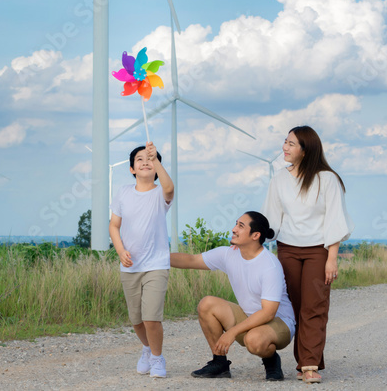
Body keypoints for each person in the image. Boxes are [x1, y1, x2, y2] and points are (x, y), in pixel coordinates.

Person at [262, 126, 352, 383]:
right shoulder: (279, 179)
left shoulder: (328, 179)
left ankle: (309, 364)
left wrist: (331, 258)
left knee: (314, 306)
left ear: (305, 149)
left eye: (291, 144)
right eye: (285, 142)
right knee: (295, 306)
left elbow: (334, 220)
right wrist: (251, 238)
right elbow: (271, 218)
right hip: (287, 249)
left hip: (318, 251)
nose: (285, 148)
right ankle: (304, 359)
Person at [171, 212, 295, 381]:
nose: (234, 229)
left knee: (254, 340)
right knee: (207, 304)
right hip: (249, 317)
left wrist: (232, 333)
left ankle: (271, 359)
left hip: (279, 322)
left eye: (240, 226)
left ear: (255, 235)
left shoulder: (269, 265)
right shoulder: (228, 254)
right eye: (236, 224)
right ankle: (219, 363)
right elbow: (191, 260)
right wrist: (155, 259)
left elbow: (268, 313)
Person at [109, 142, 174, 378]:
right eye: (140, 159)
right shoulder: (123, 192)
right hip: (130, 266)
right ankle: (146, 349)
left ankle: (157, 358)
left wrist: (155, 156)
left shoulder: (161, 193)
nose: (145, 162)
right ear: (131, 169)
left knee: (151, 317)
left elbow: (169, 186)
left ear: (157, 166)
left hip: (156, 265)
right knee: (136, 319)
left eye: (150, 159)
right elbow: (114, 225)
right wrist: (120, 250)